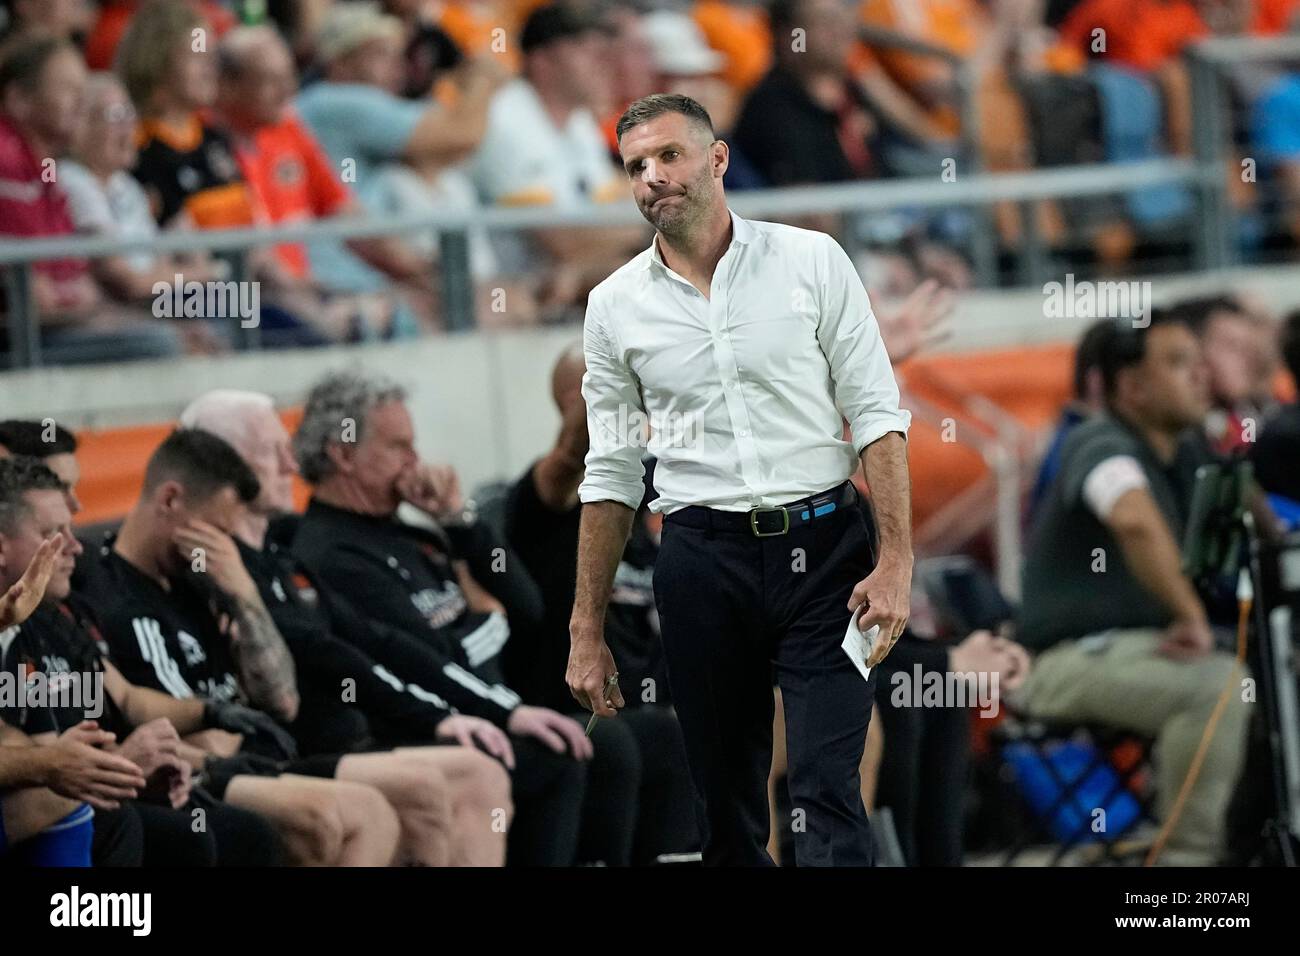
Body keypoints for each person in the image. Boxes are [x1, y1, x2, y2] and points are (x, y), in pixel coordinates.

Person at [568, 92, 914, 866]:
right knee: (723, 806)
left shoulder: (812, 259)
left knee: (829, 784)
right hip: (701, 556)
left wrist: (896, 562)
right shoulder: (612, 307)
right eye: (635, 167)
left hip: (828, 552)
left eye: (668, 156)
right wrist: (585, 629)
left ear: (718, 160)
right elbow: (612, 472)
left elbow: (877, 415)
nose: (652, 177)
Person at [289, 369, 660, 866]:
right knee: (582, 749)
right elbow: (437, 656)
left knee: (638, 736)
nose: (416, 461)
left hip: (484, 710)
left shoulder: (413, 534)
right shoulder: (330, 552)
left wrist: (456, 519)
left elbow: (526, 608)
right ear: (344, 453)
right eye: (400, 446)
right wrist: (489, 623)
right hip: (420, 727)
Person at [178, 389, 514, 866]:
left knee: (484, 770)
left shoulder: (281, 547)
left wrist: (467, 713)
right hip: (292, 751)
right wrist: (441, 715)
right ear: (222, 466)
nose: (291, 467)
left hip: (352, 734)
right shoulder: (218, 563)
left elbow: (374, 641)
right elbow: (315, 663)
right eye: (273, 454)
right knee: (441, 782)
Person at [1015, 309, 1251, 864]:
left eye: (1199, 362)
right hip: (1060, 661)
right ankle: (1184, 867)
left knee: (1259, 667)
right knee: (1216, 687)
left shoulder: (1187, 449)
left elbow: (1256, 517)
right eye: (1177, 363)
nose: (1200, 376)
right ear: (1132, 387)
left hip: (1134, 650)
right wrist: (1191, 615)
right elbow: (1132, 518)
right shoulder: (1098, 442)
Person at [0, 455, 288, 866]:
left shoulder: (45, 619)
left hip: (75, 806)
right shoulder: (38, 622)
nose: (75, 545)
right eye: (53, 533)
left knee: (231, 829)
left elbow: (114, 705)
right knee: (152, 829)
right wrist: (120, 767)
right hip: (53, 818)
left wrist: (212, 713)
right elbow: (44, 769)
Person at [504, 347, 700, 865]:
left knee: (763, 710)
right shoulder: (547, 499)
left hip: (661, 699)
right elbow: (571, 456)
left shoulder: (654, 482)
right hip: (580, 711)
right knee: (660, 736)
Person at [0, 34, 181, 363]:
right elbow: (40, 299)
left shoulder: (47, 169)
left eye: (83, 91)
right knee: (160, 341)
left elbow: (76, 279)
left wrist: (85, 299)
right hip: (21, 341)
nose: (80, 103)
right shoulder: (6, 161)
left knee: (186, 328)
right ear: (18, 101)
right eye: (68, 90)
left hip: (56, 327)